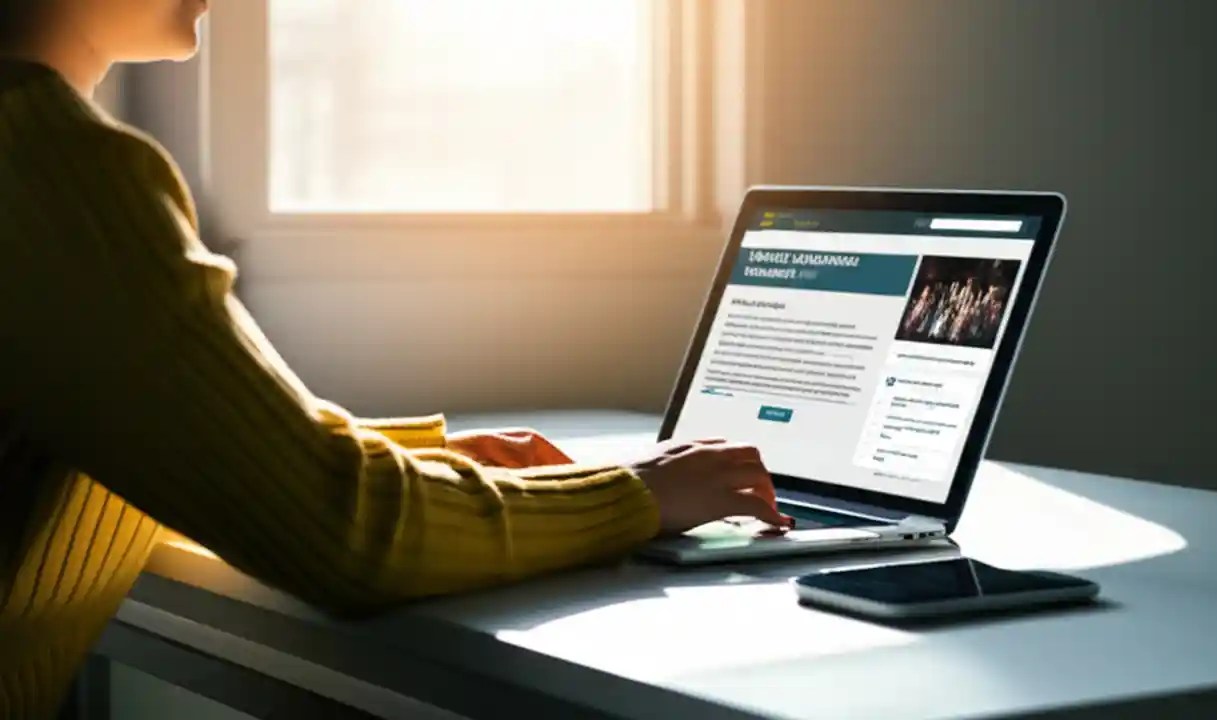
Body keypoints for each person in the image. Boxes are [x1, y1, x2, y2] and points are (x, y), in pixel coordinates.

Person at [0, 1, 791, 716]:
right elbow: (343, 533)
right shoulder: (51, 166)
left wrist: (428, 460)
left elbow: (130, 415)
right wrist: (634, 494)